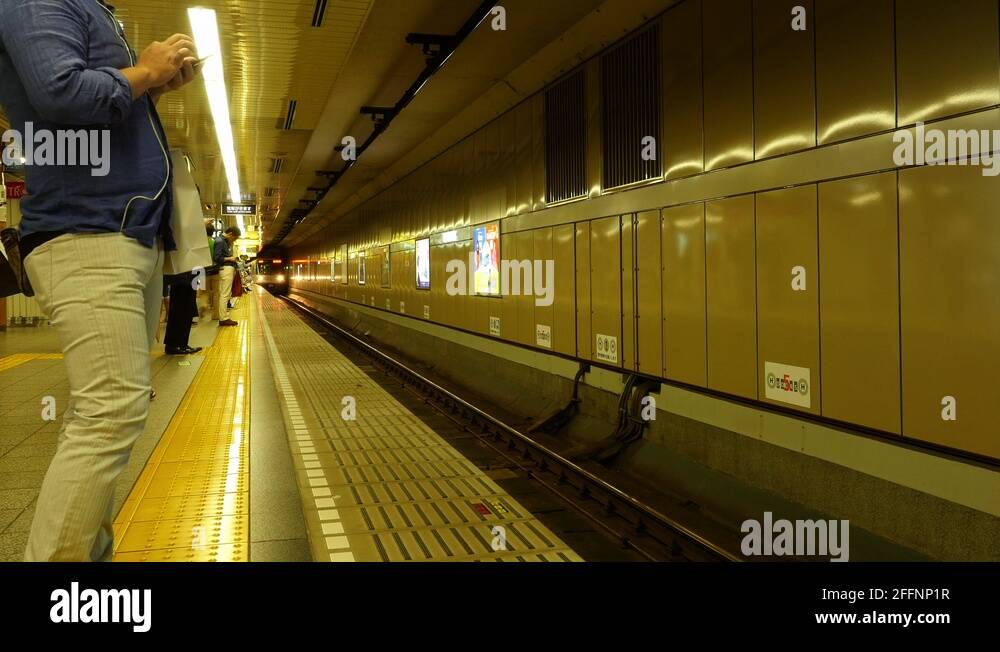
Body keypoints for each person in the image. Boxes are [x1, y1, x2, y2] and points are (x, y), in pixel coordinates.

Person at [0, 0, 201, 561]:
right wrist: (147, 70)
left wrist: (154, 86)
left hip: (119, 228)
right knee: (110, 411)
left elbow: (96, 103)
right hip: (86, 228)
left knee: (105, 418)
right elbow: (61, 96)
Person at [163, 271, 202, 355]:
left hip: (189, 277)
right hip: (182, 277)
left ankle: (182, 344)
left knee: (187, 311)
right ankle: (173, 345)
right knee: (179, 310)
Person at [213, 226, 241, 326]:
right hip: (226, 269)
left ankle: (223, 317)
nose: (234, 240)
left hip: (226, 269)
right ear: (230, 234)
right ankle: (223, 318)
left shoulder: (223, 241)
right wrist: (230, 258)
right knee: (225, 294)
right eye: (235, 238)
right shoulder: (220, 241)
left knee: (224, 294)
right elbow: (217, 258)